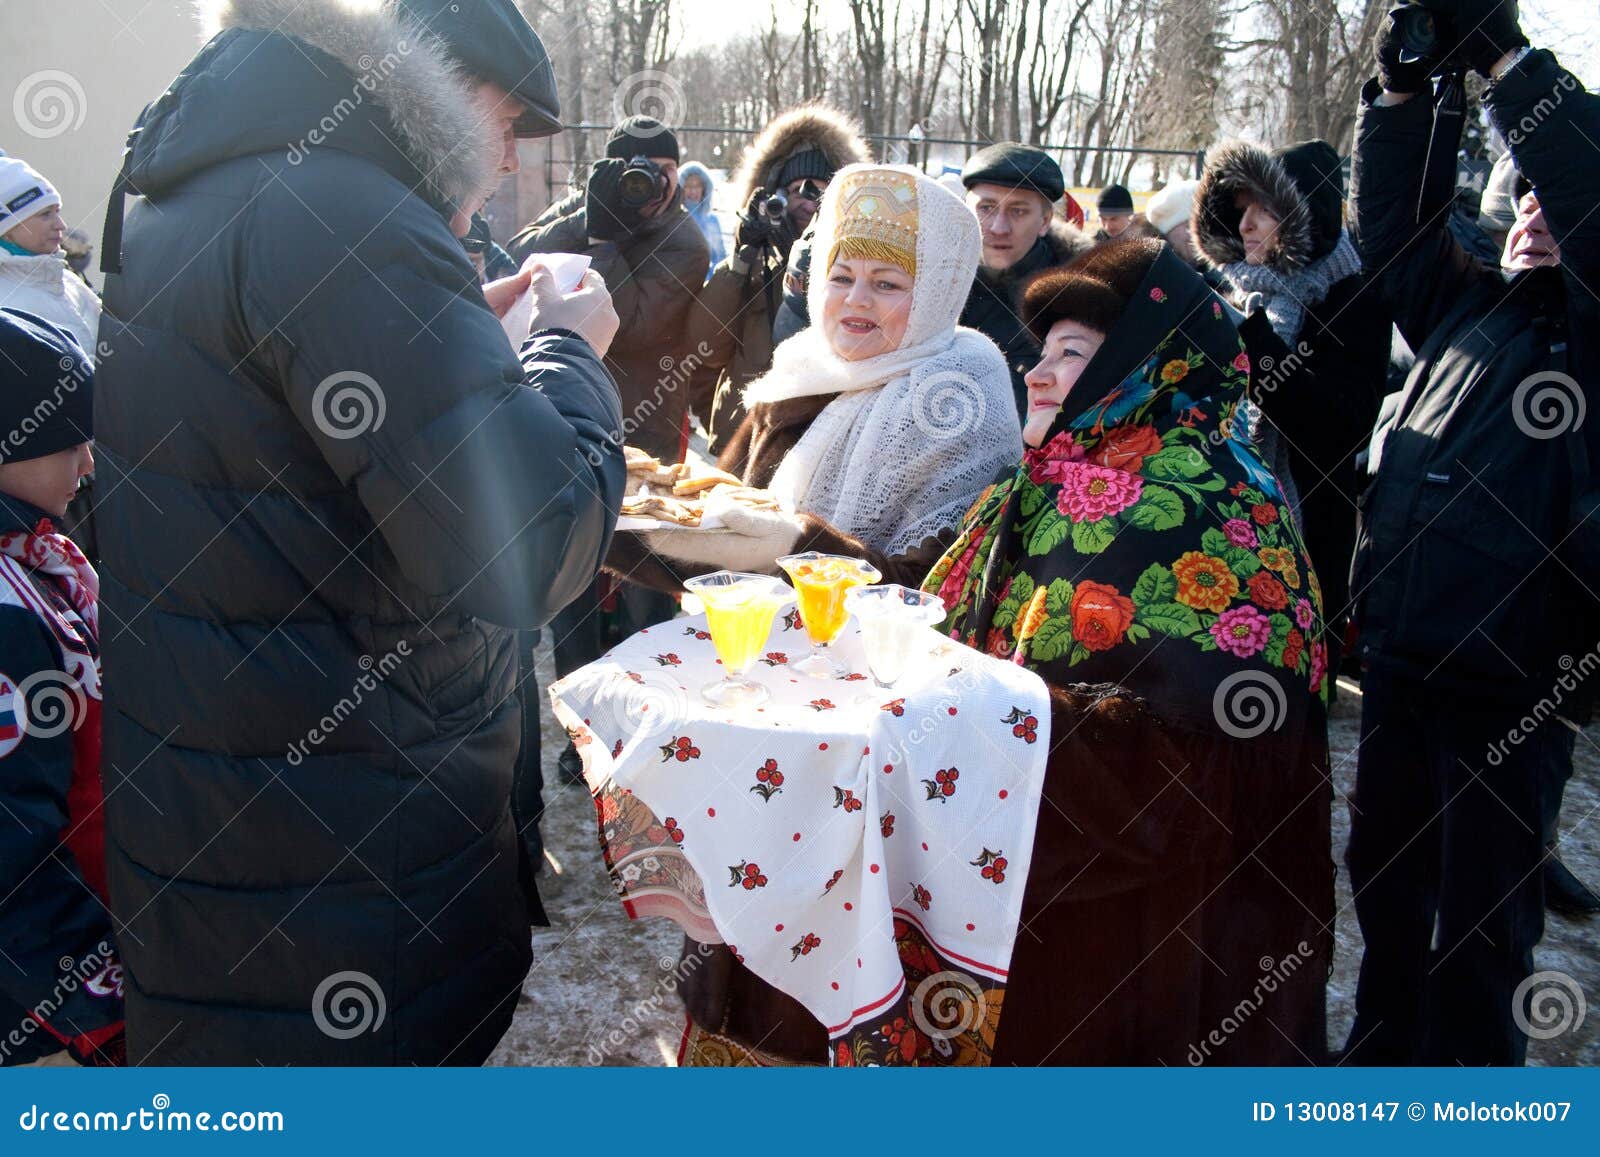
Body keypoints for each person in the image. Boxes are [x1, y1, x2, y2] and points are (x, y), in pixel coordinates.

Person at [94, 0, 625, 1065]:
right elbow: (529, 546)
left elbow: (275, 436)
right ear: (443, 87)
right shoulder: (349, 217)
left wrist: (449, 334)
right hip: (348, 877)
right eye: (511, 125)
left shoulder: (203, 186)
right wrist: (570, 354)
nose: (511, 166)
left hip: (231, 839)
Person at [610, 166, 1020, 1064]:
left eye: (888, 282)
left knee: (825, 984)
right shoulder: (796, 377)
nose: (856, 300)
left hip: (870, 765)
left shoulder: (959, 395)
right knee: (743, 948)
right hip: (764, 730)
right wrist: (610, 520)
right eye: (840, 273)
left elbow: (932, 591)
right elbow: (714, 526)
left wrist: (787, 541)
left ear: (943, 285)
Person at [927, 239, 1333, 1063]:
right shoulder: (1046, 479)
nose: (1034, 375)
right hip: (1027, 895)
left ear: (1155, 367)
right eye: (1039, 354)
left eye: (1071, 355)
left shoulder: (1214, 506)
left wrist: (988, 719)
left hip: (1149, 940)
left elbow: (1197, 773)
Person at [1342, 3, 1600, 1065]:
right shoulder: (1467, 307)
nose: (1537, 212)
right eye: (1523, 198)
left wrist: (1501, 56)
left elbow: (1584, 179)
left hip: (1515, 682)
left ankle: (1463, 1087)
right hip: (1403, 660)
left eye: (1556, 201)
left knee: (1482, 916)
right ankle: (1377, 1051)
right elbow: (1396, 227)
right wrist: (1411, 90)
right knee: (1386, 885)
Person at [1192, 139, 1390, 681]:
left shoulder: (1352, 297)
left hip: (1307, 534)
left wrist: (1249, 338)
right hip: (1227, 530)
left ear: (1307, 214)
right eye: (1240, 208)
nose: (1247, 224)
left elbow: (1334, 427)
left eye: (1266, 208)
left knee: (1292, 695)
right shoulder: (1237, 294)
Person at [0, 310, 124, 1069]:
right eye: (68, 438)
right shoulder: (8, 615)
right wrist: (94, 1001)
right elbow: (11, 845)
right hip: (41, 1010)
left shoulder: (39, 556)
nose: (88, 460)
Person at [510, 115, 708, 464]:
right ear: (613, 171)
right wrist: (589, 219)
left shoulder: (686, 241)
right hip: (566, 401)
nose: (657, 181)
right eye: (640, 168)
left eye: (668, 167)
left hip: (643, 419)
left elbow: (628, 327)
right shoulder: (590, 206)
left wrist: (601, 242)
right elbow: (518, 255)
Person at [685, 105, 872, 454]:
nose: (809, 201)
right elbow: (704, 347)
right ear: (777, 194)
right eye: (798, 189)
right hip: (743, 442)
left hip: (817, 443)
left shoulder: (857, 269)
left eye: (822, 189)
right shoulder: (752, 258)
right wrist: (744, 257)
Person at [958, 142, 1093, 421]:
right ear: (965, 210)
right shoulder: (925, 283)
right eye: (986, 208)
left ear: (1045, 221)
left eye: (1018, 211)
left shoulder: (1083, 298)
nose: (998, 227)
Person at [0, 156, 100, 353]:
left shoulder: (69, 282)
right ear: (8, 228)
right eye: (45, 214)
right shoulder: (5, 301)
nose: (61, 225)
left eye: (57, 211)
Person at [679, 161, 726, 281]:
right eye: (688, 186)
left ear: (705, 188)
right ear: (681, 188)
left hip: (707, 287)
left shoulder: (712, 221)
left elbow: (720, 258)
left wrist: (712, 281)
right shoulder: (674, 219)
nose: (693, 191)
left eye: (697, 186)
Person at [1143, 179, 1201, 266]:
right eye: (1188, 225)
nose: (1197, 233)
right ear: (1168, 231)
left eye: (1203, 225)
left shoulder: (1221, 270)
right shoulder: (1155, 271)